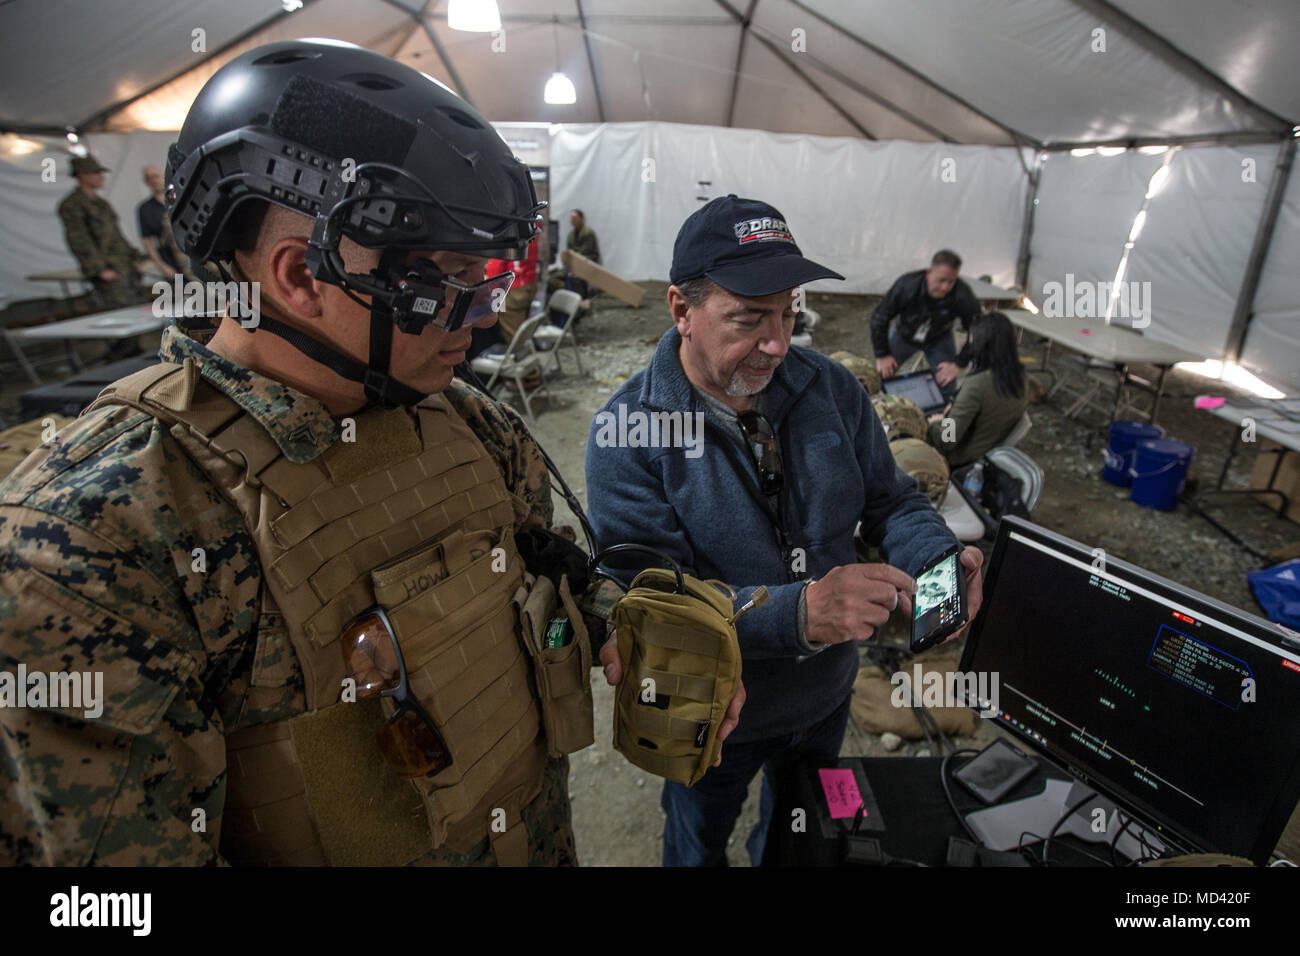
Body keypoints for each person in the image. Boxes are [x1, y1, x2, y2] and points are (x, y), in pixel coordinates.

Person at [0, 40, 597, 867]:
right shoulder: (96, 542)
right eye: (453, 283)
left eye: (490, 282)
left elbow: (541, 584)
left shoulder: (467, 424)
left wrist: (617, 619)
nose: (484, 320)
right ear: (302, 277)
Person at [584, 194, 984, 867]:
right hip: (715, 716)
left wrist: (937, 561)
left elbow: (893, 501)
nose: (776, 342)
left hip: (825, 699)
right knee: (697, 845)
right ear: (682, 310)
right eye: (748, 319)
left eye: (788, 312)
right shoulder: (628, 435)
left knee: (799, 840)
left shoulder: (828, 388)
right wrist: (800, 614)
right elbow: (650, 606)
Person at [870, 249, 980, 398]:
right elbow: (880, 317)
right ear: (929, 272)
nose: (945, 287)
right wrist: (882, 354)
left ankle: (941, 417)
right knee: (881, 375)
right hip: (904, 334)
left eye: (951, 281)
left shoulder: (962, 295)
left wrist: (958, 364)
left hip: (939, 337)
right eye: (941, 280)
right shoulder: (907, 285)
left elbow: (979, 331)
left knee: (946, 382)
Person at [927, 310, 1029, 466]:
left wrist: (936, 423)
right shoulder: (1019, 377)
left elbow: (947, 440)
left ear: (981, 346)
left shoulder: (978, 384)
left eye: (971, 341)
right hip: (987, 452)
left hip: (959, 460)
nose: (969, 346)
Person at [57, 154, 145, 308]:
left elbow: (116, 234)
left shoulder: (102, 204)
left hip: (124, 265)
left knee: (139, 309)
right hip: (109, 269)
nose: (101, 177)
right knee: (121, 311)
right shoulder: (72, 205)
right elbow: (79, 240)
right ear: (81, 175)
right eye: (95, 173)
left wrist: (133, 256)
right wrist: (99, 269)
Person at [564, 208, 600, 300]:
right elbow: (569, 252)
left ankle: (580, 301)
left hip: (589, 261)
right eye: (571, 218)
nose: (572, 220)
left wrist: (575, 268)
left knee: (576, 278)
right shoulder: (571, 235)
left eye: (575, 218)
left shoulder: (588, 232)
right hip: (576, 262)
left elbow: (585, 252)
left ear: (581, 219)